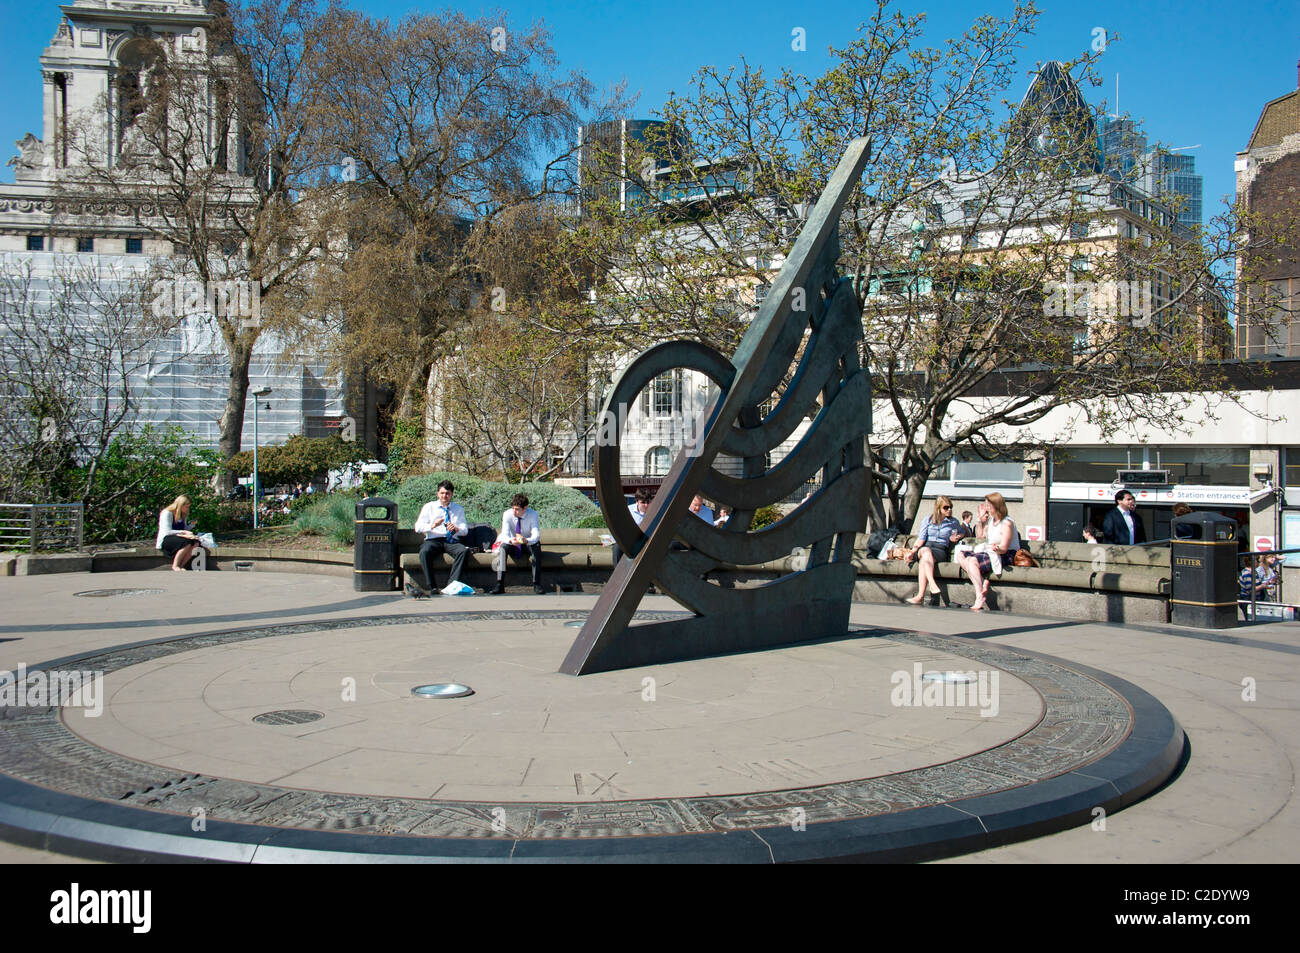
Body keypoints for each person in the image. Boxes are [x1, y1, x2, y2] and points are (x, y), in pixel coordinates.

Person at [956, 492, 1020, 612]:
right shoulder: (991, 521)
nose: (986, 508)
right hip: (991, 551)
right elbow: (980, 537)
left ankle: (979, 595)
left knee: (972, 561)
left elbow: (1004, 548)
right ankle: (982, 583)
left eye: (988, 505)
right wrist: (980, 521)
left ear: (996, 506)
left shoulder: (1007, 522)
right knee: (961, 555)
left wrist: (996, 549)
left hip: (1005, 554)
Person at [410, 480, 470, 596]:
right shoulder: (429, 507)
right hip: (434, 539)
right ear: (438, 494)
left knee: (463, 551)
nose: (444, 496)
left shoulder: (458, 509)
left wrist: (457, 529)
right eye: (442, 493)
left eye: (447, 493)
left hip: (451, 540)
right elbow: (418, 527)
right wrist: (432, 525)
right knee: (424, 552)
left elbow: (465, 531)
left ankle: (451, 585)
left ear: (452, 494)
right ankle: (432, 586)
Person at [907, 496, 964, 605]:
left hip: (940, 550)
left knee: (924, 560)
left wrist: (957, 536)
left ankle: (920, 595)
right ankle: (932, 584)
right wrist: (912, 551)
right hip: (925, 548)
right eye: (946, 507)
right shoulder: (927, 520)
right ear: (938, 508)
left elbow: (963, 531)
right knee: (925, 551)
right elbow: (921, 539)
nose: (949, 510)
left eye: (950, 507)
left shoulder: (953, 522)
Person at [489, 493, 544, 595]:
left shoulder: (533, 514)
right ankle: (499, 584)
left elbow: (536, 535)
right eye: (513, 508)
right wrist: (511, 540)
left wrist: (527, 540)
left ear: (525, 508)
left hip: (527, 542)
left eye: (517, 509)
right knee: (502, 548)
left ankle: (536, 583)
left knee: (536, 547)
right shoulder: (507, 514)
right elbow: (504, 534)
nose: (514, 511)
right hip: (513, 541)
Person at [156, 495, 204, 571]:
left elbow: (183, 529)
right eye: (186, 506)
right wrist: (184, 532)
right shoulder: (167, 513)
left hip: (178, 537)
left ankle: (181, 565)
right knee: (186, 542)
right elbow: (167, 531)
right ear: (180, 505)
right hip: (166, 539)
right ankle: (175, 565)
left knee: (196, 542)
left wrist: (191, 525)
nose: (188, 509)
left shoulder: (183, 515)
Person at [611, 488, 652, 565]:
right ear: (637, 502)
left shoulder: (654, 510)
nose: (646, 505)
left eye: (648, 502)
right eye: (643, 502)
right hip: (631, 540)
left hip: (647, 540)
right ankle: (617, 572)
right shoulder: (629, 510)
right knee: (617, 548)